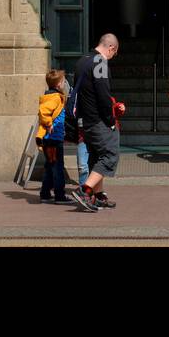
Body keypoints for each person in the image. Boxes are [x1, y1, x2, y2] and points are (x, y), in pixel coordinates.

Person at [68, 33, 121, 212]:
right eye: (114, 53)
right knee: (110, 154)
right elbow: (103, 93)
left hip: (84, 120)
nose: (113, 57)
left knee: (96, 156)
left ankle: (98, 196)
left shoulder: (83, 60)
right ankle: (85, 190)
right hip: (97, 119)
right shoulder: (100, 62)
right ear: (111, 48)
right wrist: (110, 119)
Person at [36, 69, 68, 203]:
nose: (65, 83)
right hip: (53, 138)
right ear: (58, 84)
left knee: (50, 165)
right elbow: (43, 111)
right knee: (57, 167)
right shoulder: (54, 97)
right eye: (63, 81)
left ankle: (45, 193)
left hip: (54, 137)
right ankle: (59, 195)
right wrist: (49, 124)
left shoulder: (54, 96)